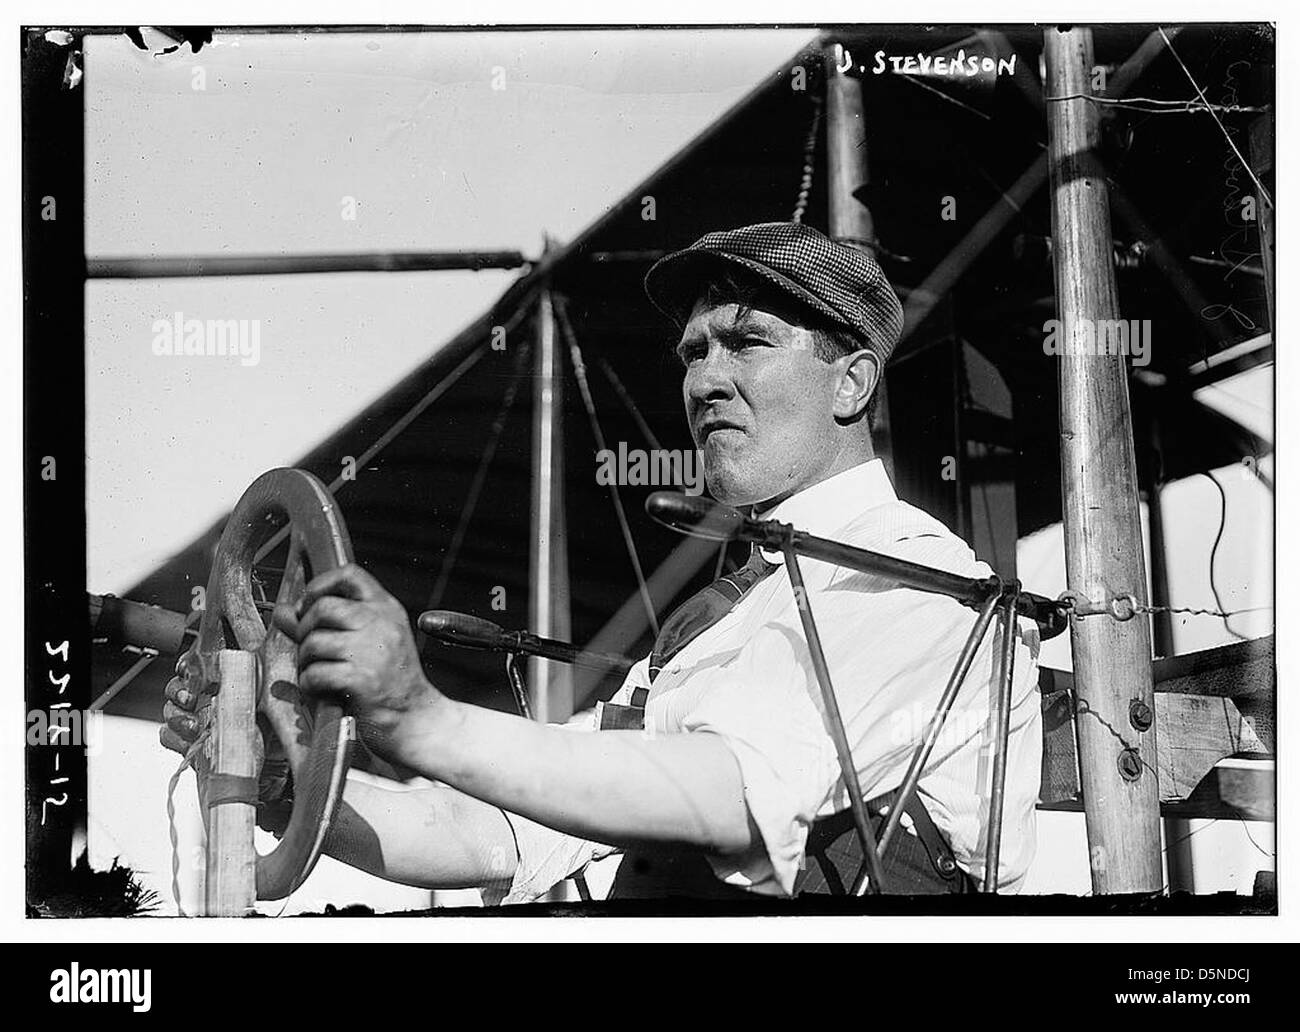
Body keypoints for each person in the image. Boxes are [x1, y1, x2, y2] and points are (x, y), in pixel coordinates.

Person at [162, 221, 1042, 903]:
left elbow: (730, 796)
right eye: (693, 353)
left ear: (852, 383)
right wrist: (279, 767)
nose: (703, 381)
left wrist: (419, 716)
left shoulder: (917, 581)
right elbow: (485, 833)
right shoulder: (717, 626)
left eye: (747, 342)